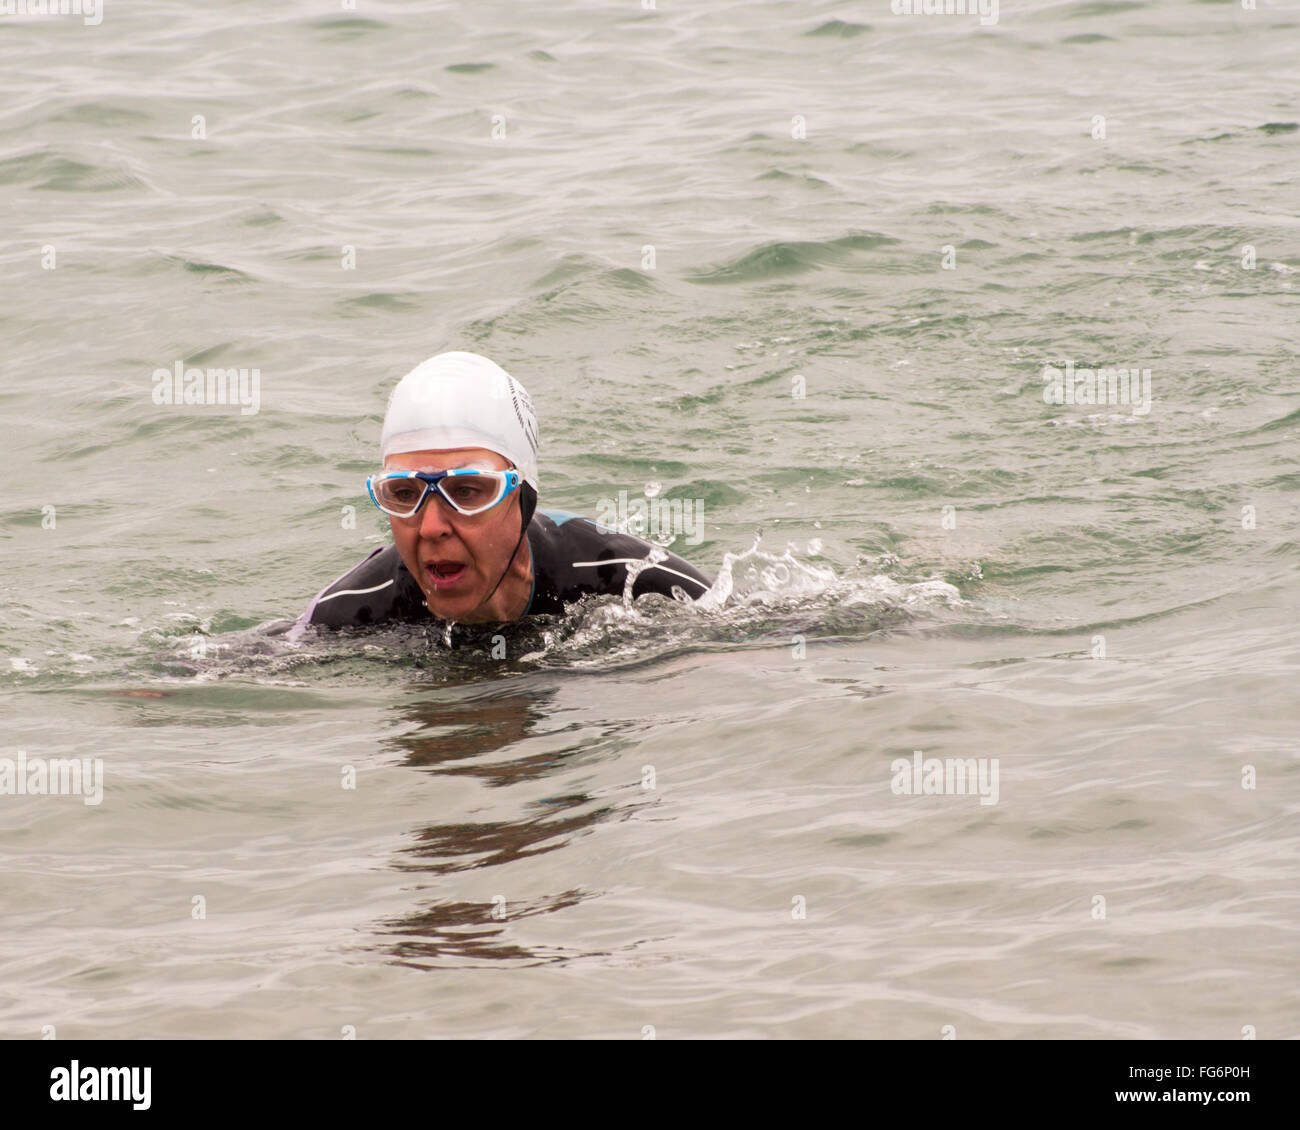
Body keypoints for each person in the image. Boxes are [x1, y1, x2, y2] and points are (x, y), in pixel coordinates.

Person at [287, 351, 713, 637]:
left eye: (468, 491)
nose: (431, 526)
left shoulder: (628, 579)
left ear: (523, 498)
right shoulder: (346, 615)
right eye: (403, 493)